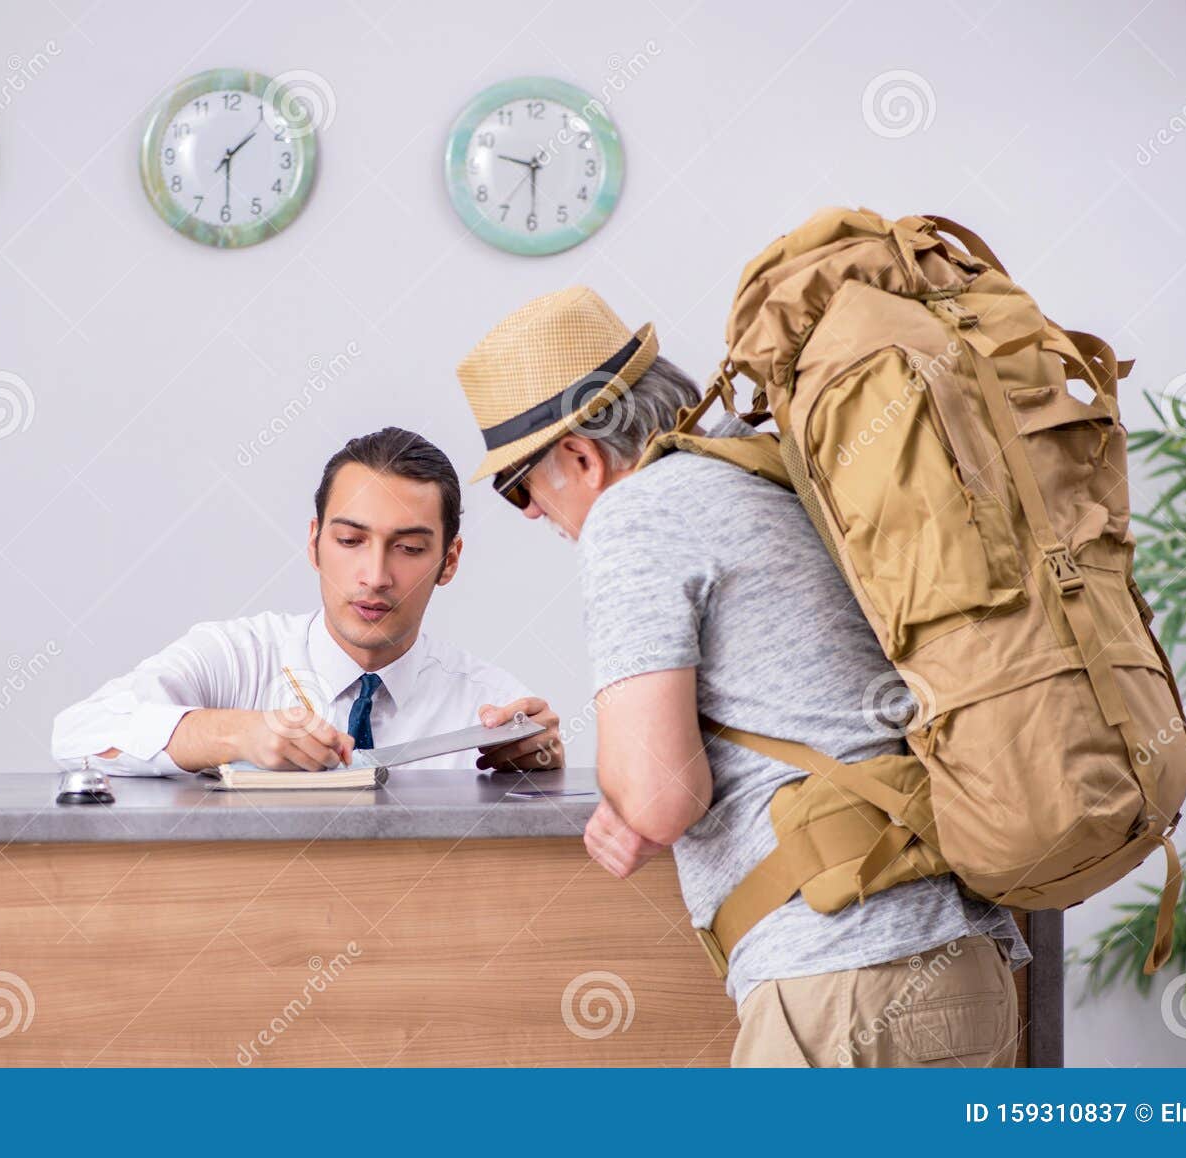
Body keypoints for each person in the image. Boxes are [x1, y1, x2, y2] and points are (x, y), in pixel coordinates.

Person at [454, 286, 1029, 1067]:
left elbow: (660, 795)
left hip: (840, 984)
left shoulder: (637, 515)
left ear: (582, 457)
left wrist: (636, 801)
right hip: (961, 966)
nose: (528, 513)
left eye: (519, 485)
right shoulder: (775, 473)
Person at [52, 427, 562, 775]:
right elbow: (76, 734)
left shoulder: (489, 708)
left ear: (449, 561)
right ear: (314, 542)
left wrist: (542, 778)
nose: (376, 576)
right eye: (349, 541)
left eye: (408, 548)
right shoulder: (234, 658)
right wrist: (236, 734)